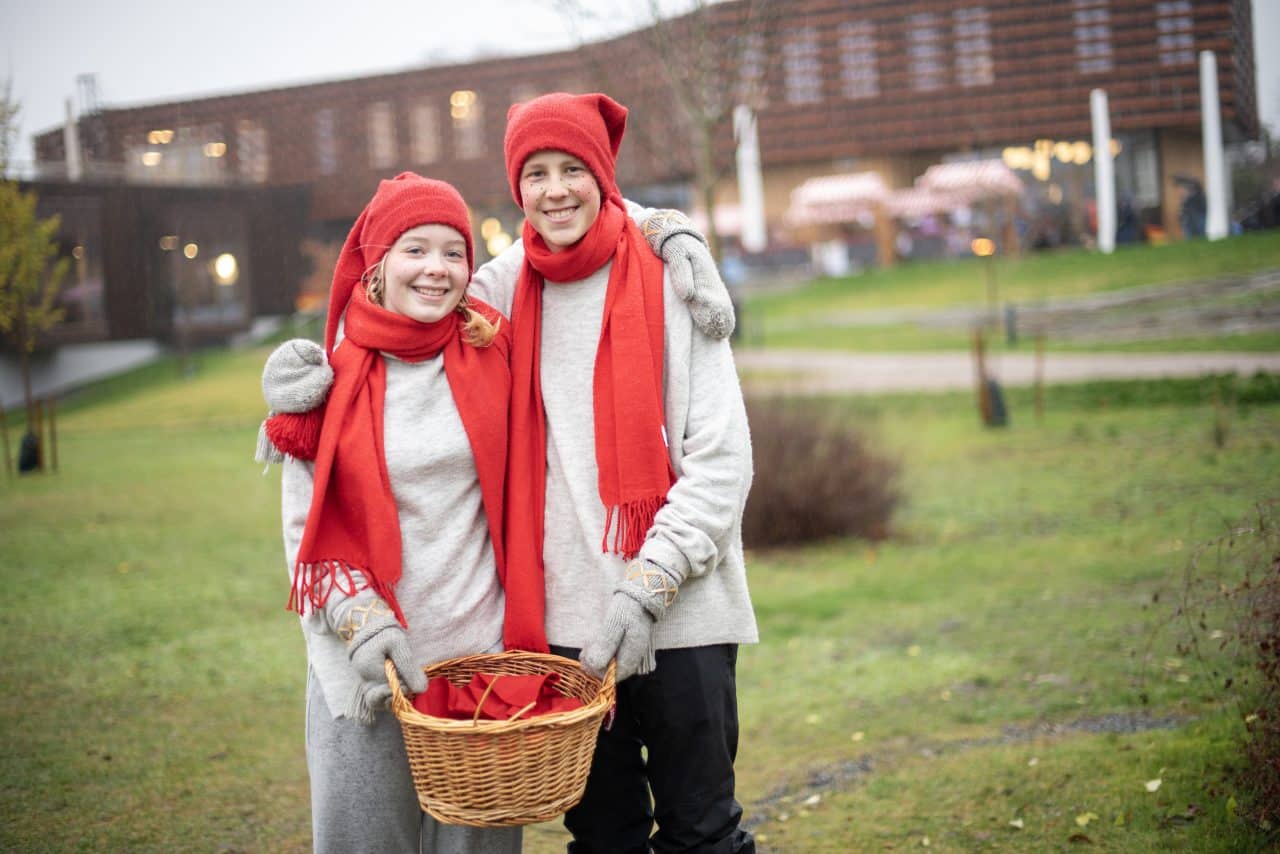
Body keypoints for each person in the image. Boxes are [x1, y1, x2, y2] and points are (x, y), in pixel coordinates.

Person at [489, 92, 758, 854]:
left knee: (702, 836)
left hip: (685, 613)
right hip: (567, 631)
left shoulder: (672, 277)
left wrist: (647, 588)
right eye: (535, 173)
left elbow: (722, 462)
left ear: (602, 175)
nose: (555, 191)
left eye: (573, 168)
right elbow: (410, 298)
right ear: (516, 188)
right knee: (604, 841)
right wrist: (309, 376)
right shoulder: (502, 288)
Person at [262, 172, 524, 854]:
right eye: (416, 249)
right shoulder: (325, 381)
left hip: (478, 672)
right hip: (365, 668)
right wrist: (363, 624)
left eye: (454, 252)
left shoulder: (494, 349)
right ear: (377, 263)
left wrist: (667, 232)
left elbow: (564, 236)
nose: (437, 268)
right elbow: (305, 531)